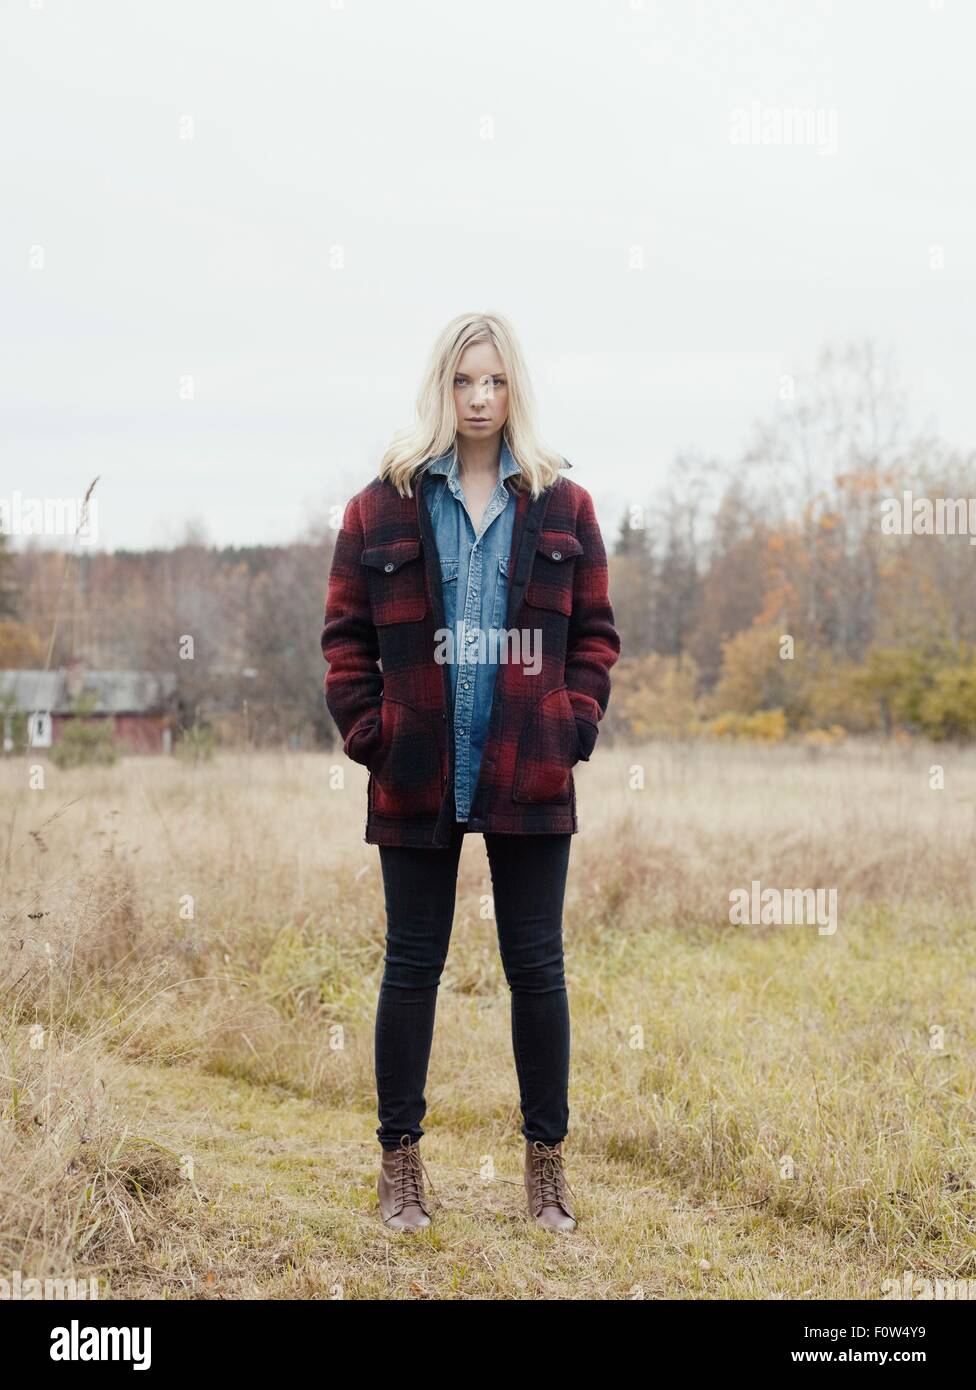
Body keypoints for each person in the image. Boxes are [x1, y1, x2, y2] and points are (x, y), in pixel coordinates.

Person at [321, 310, 621, 1233]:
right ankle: (400, 1169)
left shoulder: (563, 505)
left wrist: (572, 725)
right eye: (463, 382)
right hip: (418, 768)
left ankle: (546, 1173)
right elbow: (346, 640)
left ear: (514, 388)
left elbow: (597, 639)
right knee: (412, 965)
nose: (480, 399)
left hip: (530, 767)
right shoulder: (381, 504)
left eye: (494, 382)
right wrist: (376, 732)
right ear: (440, 390)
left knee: (538, 969)